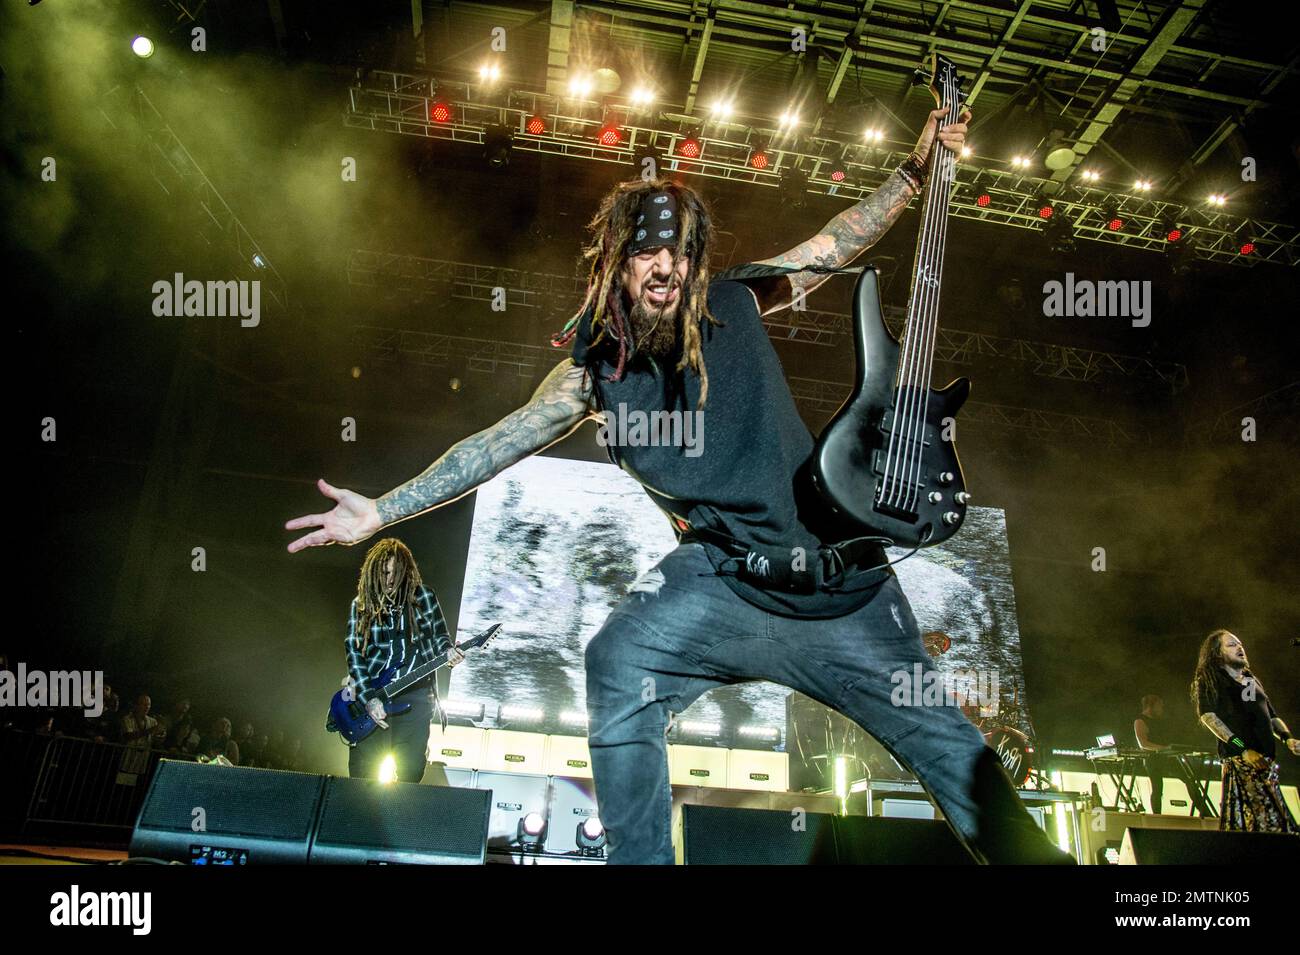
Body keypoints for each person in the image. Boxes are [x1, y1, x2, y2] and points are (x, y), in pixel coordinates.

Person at [286, 107, 1072, 864]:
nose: (668, 268)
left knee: (961, 767)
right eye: (649, 254)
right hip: (723, 586)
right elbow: (494, 444)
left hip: (839, 590)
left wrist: (913, 170)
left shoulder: (732, 300)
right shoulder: (592, 378)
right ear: (619, 262)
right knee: (618, 661)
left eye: (682, 254)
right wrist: (382, 508)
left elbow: (832, 246)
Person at [337, 538, 463, 783]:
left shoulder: (423, 597)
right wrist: (368, 698)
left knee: (411, 772)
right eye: (385, 573)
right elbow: (354, 654)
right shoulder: (361, 605)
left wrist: (449, 654)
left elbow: (439, 636)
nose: (391, 579)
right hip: (373, 695)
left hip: (416, 697)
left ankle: (399, 816)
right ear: (375, 572)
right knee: (362, 776)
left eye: (397, 573)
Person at [1192, 629, 1299, 833]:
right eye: (1231, 644)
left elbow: (1263, 714)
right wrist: (1243, 749)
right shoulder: (1213, 679)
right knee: (1258, 824)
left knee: (1274, 823)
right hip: (1243, 761)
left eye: (1240, 643)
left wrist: (1288, 739)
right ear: (1217, 653)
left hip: (1265, 761)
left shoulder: (1248, 680)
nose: (1239, 647)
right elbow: (1209, 717)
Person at [1133, 694, 1172, 813]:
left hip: (1167, 757)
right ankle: (1157, 816)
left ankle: (1206, 812)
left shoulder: (1160, 721)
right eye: (1159, 706)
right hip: (1153, 759)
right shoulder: (1140, 721)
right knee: (1157, 788)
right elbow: (1143, 744)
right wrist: (1164, 748)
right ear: (1151, 706)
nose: (1161, 709)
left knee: (1189, 779)